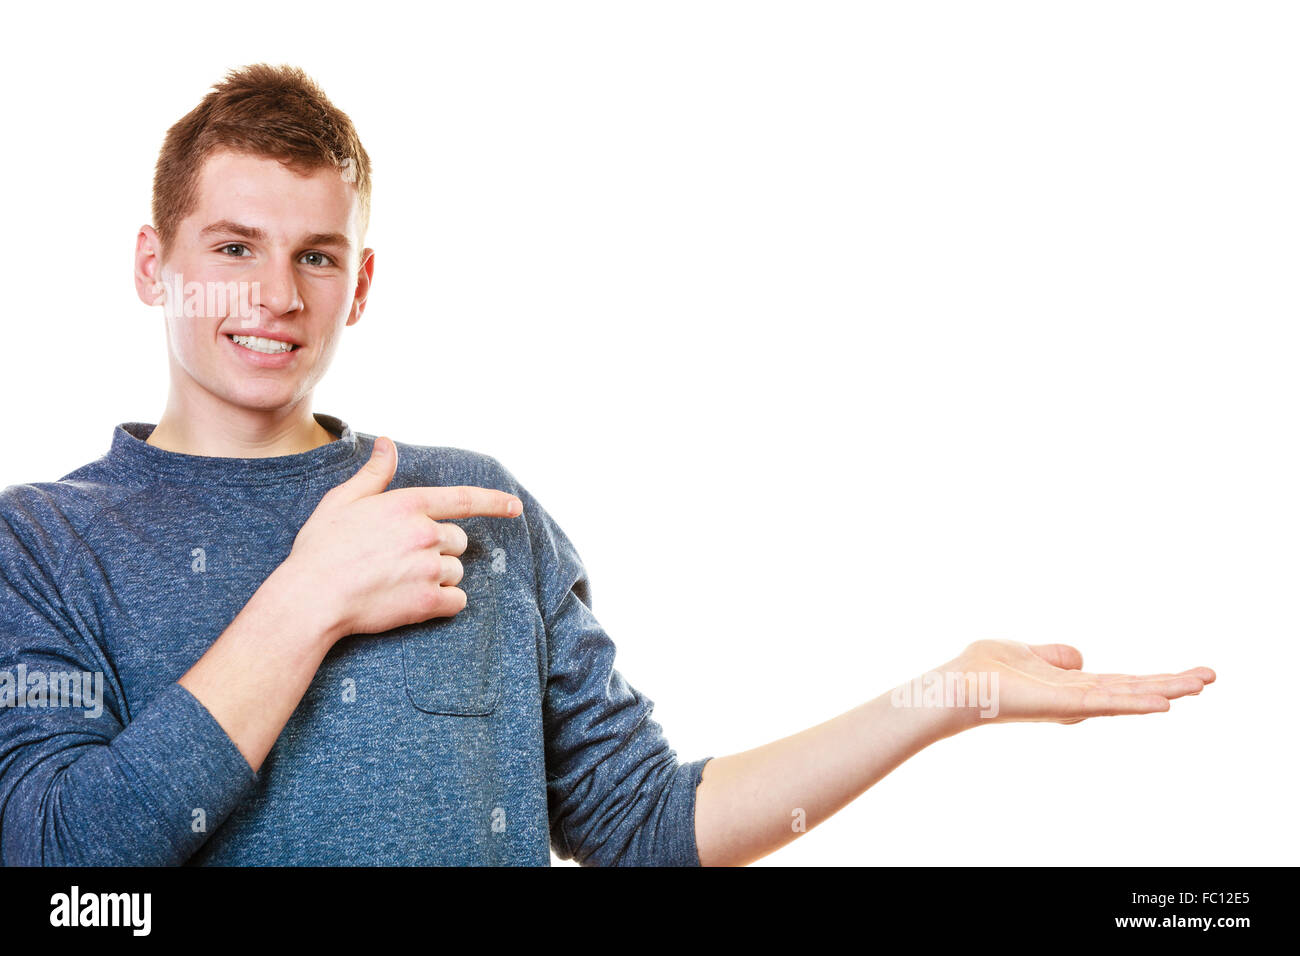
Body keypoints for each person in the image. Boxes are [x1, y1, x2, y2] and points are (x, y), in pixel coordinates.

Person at [0, 63, 1215, 867]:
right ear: (155, 263)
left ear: (360, 283)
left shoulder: (475, 506)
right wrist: (305, 600)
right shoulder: (43, 542)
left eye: (318, 255)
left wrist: (942, 698)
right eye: (234, 245)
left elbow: (640, 823)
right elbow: (59, 865)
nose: (275, 295)